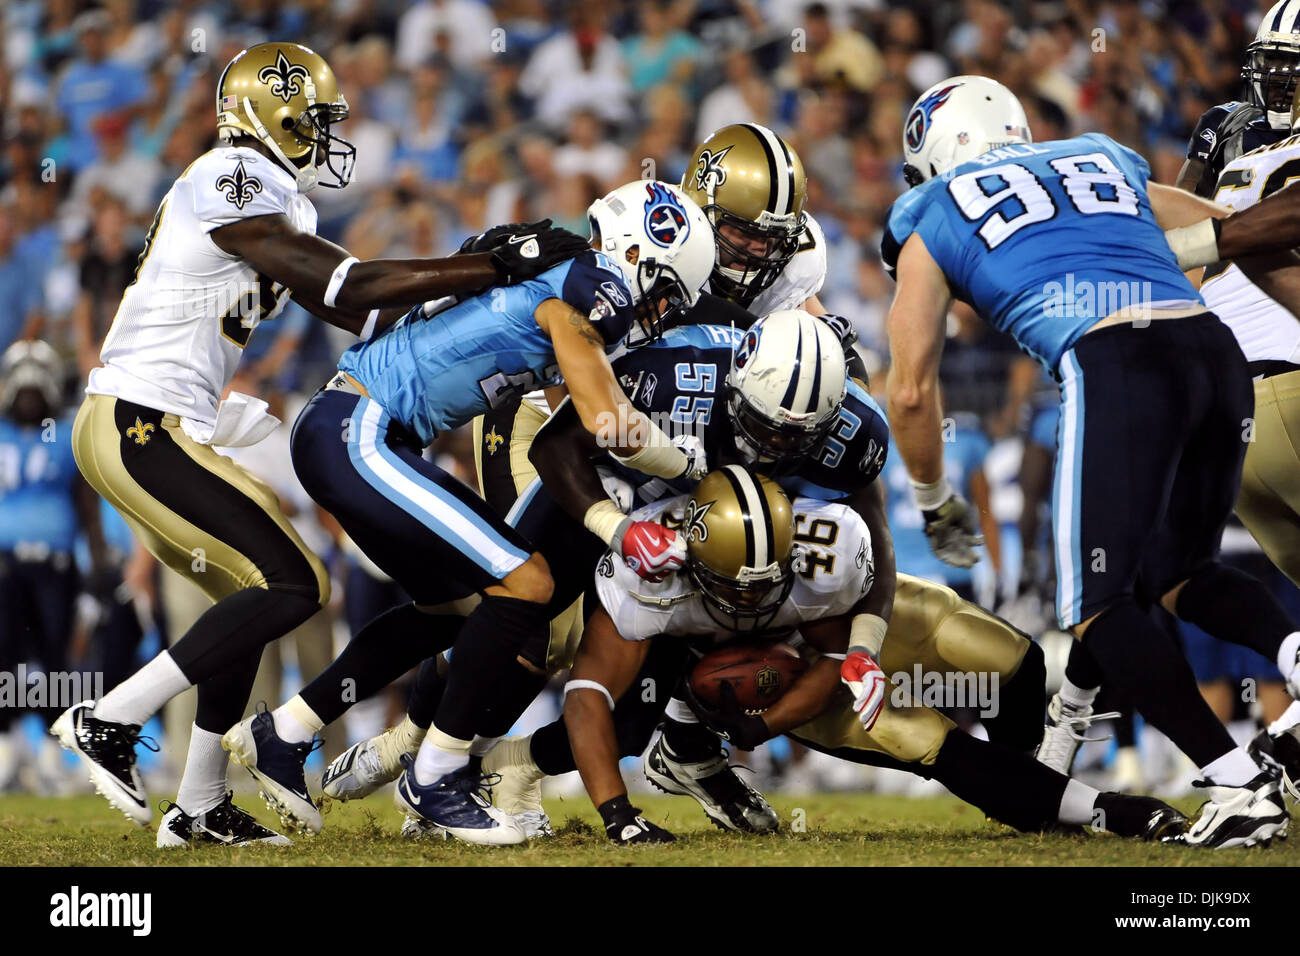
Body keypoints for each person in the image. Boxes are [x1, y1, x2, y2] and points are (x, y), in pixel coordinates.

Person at [52, 41, 589, 847]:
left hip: (164, 423)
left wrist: (483, 281)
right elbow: (349, 285)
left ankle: (199, 806)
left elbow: (365, 314)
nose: (328, 136)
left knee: (254, 589)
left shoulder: (280, 202)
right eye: (317, 119)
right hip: (138, 420)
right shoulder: (228, 172)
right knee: (293, 582)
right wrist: (483, 264)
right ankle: (109, 716)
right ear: (270, 113)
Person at [222, 179, 718, 845]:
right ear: (634, 256)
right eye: (663, 290)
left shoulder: (563, 276)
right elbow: (609, 422)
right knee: (528, 583)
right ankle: (436, 778)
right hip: (360, 429)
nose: (657, 310)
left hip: (359, 427)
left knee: (454, 612)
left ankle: (285, 733)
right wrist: (691, 467)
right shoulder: (590, 280)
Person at [883, 74, 1293, 848]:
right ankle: (1297, 657)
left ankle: (1238, 783)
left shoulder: (930, 211)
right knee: (1179, 574)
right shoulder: (1100, 157)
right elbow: (1231, 232)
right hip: (1212, 350)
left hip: (1116, 359)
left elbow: (908, 393)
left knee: (1096, 608)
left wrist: (936, 498)